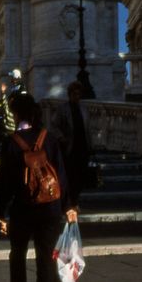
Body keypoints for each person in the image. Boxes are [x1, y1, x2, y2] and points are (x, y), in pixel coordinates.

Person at [0, 93, 77, 282]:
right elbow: (61, 174)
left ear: (16, 114)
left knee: (18, 256)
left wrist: (0, 212)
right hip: (49, 208)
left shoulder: (11, 143)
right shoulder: (48, 139)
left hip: (22, 208)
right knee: (46, 258)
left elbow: (3, 181)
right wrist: (68, 205)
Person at [51, 80, 92, 208]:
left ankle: (74, 199)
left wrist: (91, 145)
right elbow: (54, 125)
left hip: (83, 147)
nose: (77, 97)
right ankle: (71, 201)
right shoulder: (62, 109)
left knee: (81, 176)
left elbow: (88, 129)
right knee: (70, 175)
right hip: (69, 147)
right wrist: (61, 138)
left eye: (78, 94)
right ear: (69, 95)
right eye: (74, 94)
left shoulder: (84, 109)